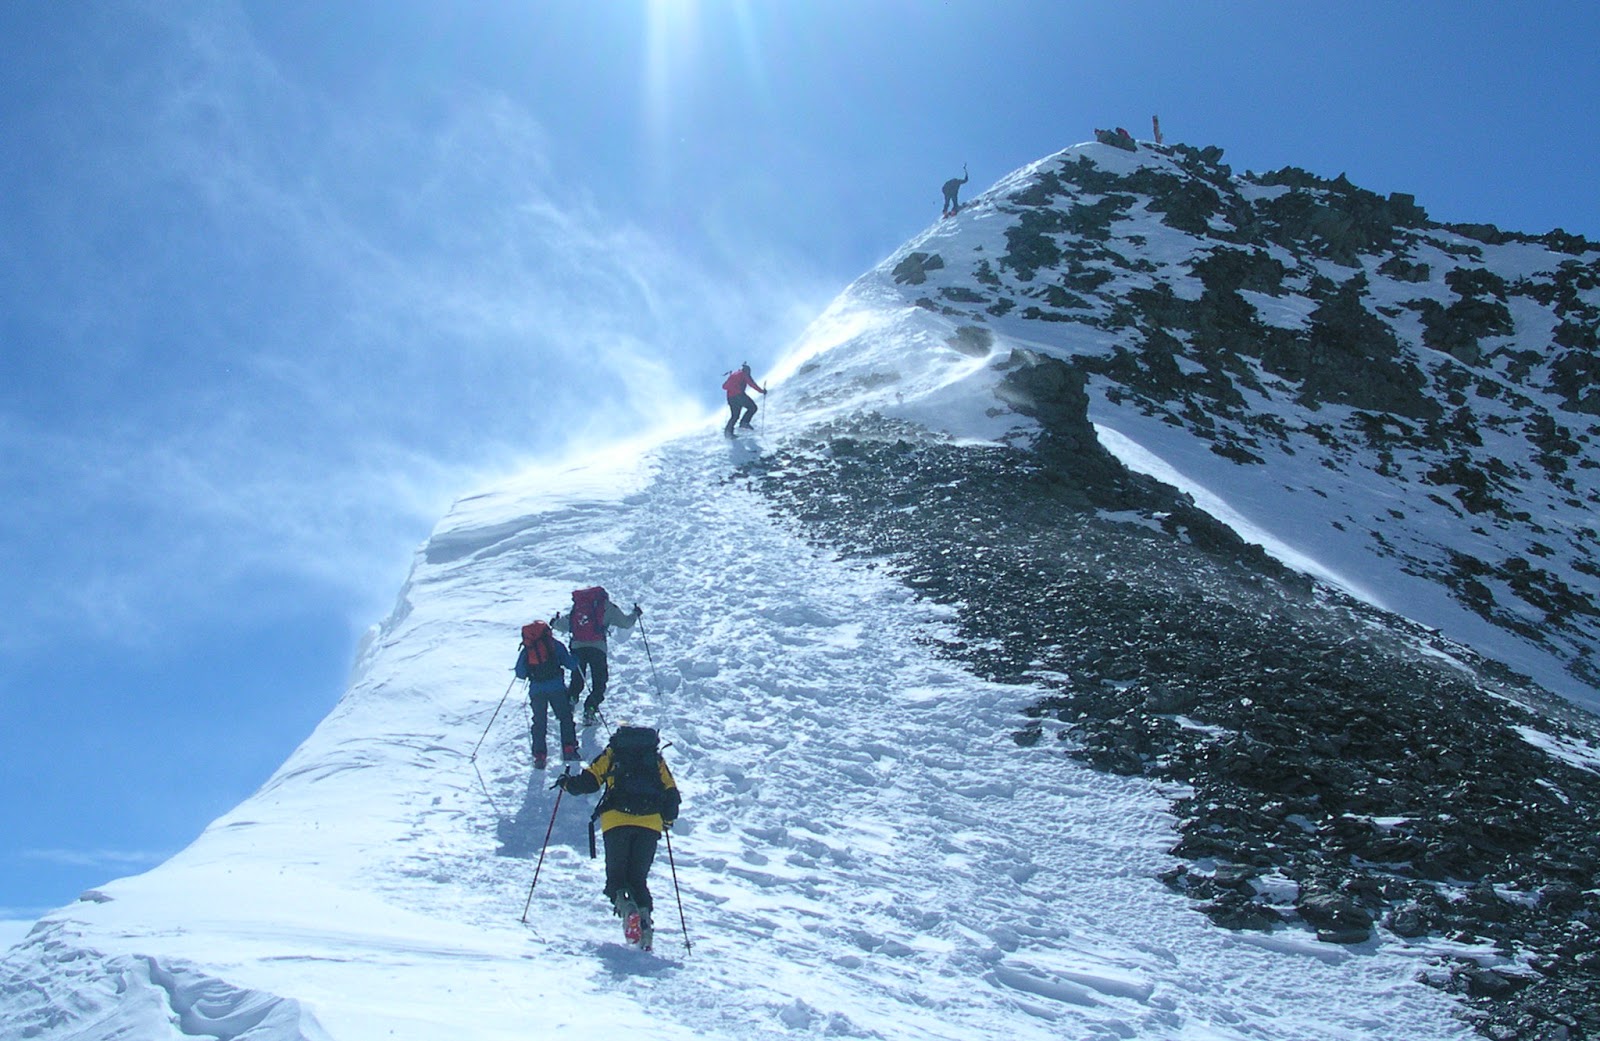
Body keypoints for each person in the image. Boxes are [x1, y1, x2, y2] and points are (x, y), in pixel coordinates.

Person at [556, 724, 680, 950]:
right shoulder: (655, 758)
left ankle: (627, 909)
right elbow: (672, 793)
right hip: (650, 823)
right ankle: (645, 925)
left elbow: (589, 781)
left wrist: (566, 783)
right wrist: (667, 821)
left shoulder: (613, 753)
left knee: (616, 878)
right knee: (638, 879)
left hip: (616, 821)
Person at [551, 585, 642, 726]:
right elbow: (625, 623)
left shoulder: (578, 606)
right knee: (599, 682)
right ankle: (590, 710)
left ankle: (570, 701)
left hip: (577, 647)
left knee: (577, 679)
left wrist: (554, 622)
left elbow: (564, 624)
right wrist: (635, 614)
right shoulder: (606, 606)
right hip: (597, 648)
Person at [513, 619, 581, 770]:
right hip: (556, 688)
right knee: (565, 717)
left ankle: (540, 756)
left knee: (539, 722)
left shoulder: (528, 649)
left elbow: (520, 673)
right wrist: (576, 657)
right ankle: (569, 749)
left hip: (537, 690)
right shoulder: (554, 645)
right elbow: (571, 664)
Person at [721, 362, 767, 435]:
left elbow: (724, 387)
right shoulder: (744, 374)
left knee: (735, 416)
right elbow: (751, 383)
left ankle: (728, 433)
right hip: (739, 395)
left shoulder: (733, 375)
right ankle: (744, 422)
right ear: (747, 370)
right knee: (753, 407)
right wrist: (762, 391)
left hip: (730, 398)